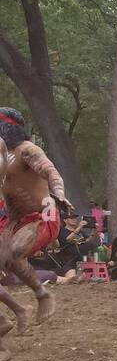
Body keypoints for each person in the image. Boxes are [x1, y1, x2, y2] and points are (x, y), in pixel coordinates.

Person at [0, 107, 71, 329]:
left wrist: (58, 193)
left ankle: (40, 296)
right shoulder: (3, 155)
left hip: (41, 217)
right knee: (9, 256)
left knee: (11, 253)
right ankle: (29, 303)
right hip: (13, 222)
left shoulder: (27, 150)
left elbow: (51, 172)